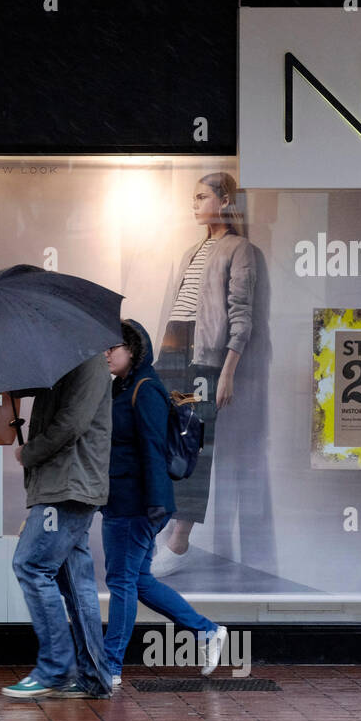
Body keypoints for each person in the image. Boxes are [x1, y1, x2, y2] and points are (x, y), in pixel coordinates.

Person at [101, 320, 228, 684]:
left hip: (136, 504)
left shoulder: (146, 390)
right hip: (124, 500)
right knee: (138, 580)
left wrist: (156, 503)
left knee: (122, 582)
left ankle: (110, 667)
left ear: (134, 351)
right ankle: (206, 631)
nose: (107, 353)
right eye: (107, 347)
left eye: (115, 347)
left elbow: (154, 450)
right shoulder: (121, 390)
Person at [150, 172, 259, 576]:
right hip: (172, 353)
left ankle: (179, 544)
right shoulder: (191, 251)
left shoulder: (240, 249)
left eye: (201, 196)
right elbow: (177, 306)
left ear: (225, 199)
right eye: (192, 197)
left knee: (194, 448)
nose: (193, 203)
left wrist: (227, 371)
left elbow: (241, 317)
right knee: (161, 442)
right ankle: (157, 530)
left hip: (204, 361)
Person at [3, 352, 113, 700]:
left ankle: (55, 668)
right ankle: (94, 675)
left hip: (66, 486)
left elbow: (72, 423)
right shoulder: (68, 362)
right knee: (75, 583)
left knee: (31, 564)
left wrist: (30, 452)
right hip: (67, 485)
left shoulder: (87, 362)